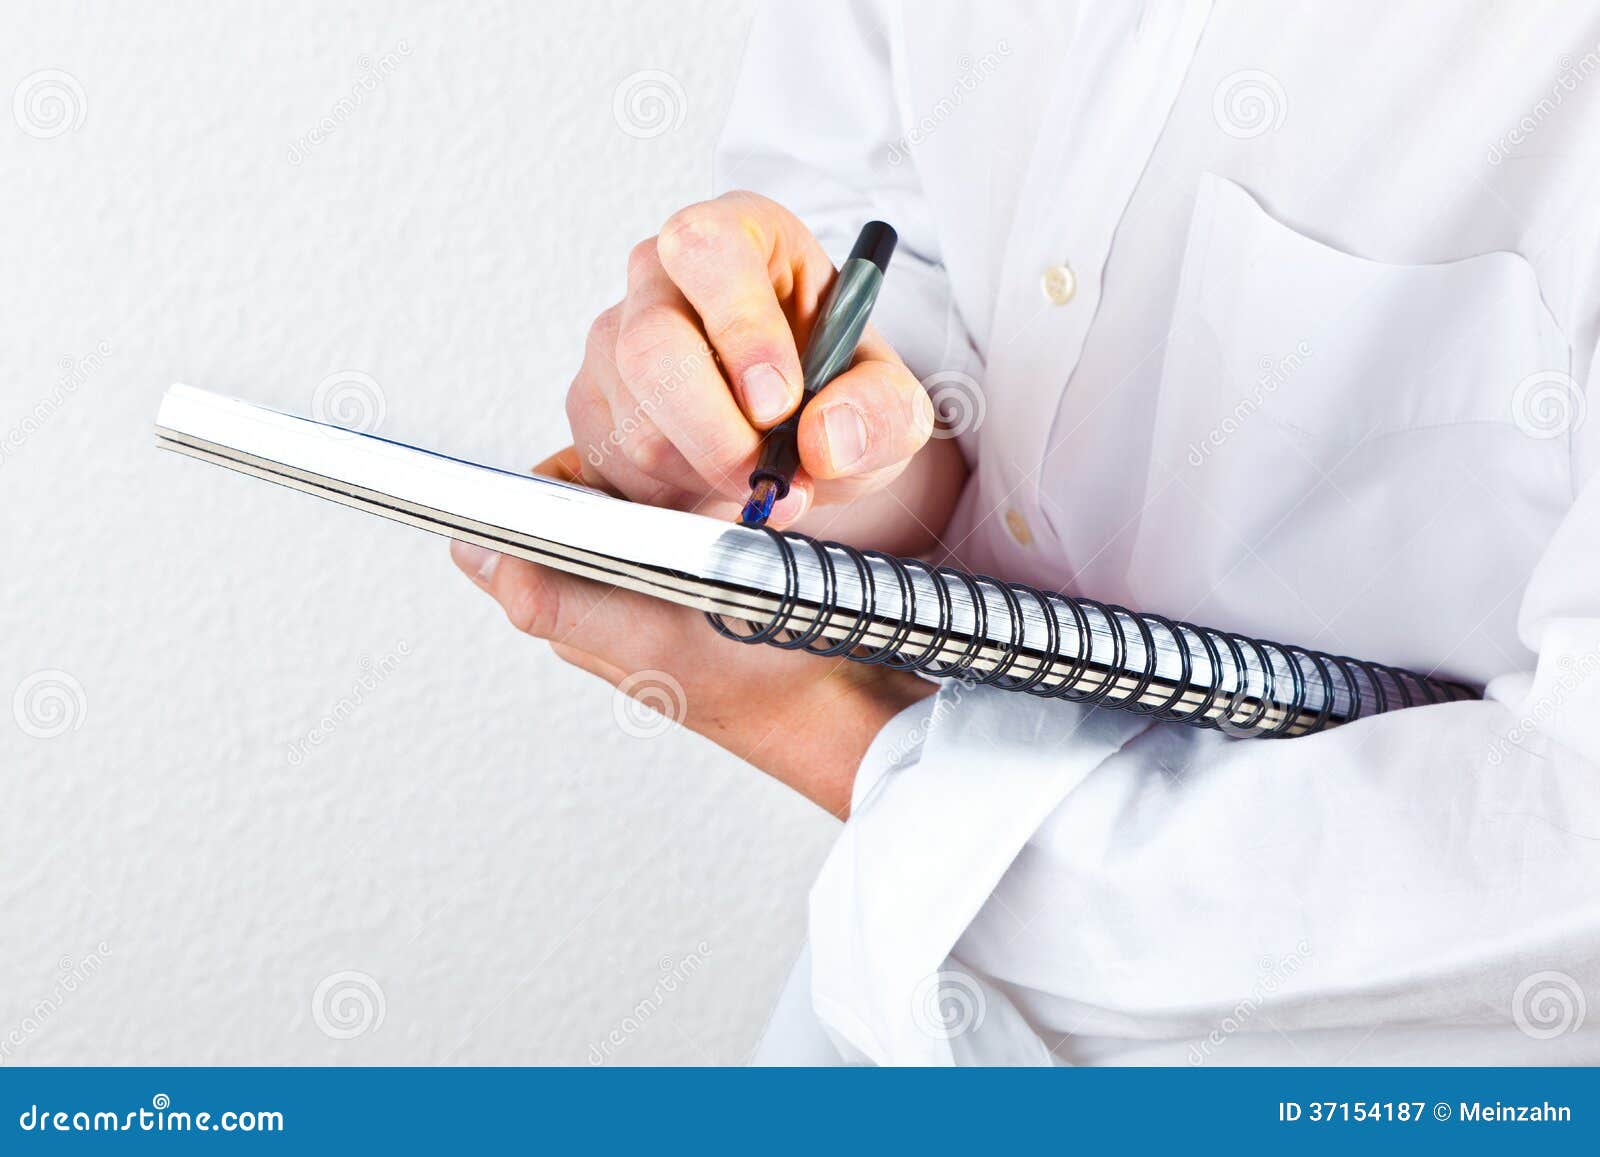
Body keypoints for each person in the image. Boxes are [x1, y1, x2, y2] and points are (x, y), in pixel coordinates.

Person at [448, 1, 1600, 1064]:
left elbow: (1561, 854)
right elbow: (900, 267)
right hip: (885, 1014)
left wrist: (844, 742)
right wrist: (793, 440)